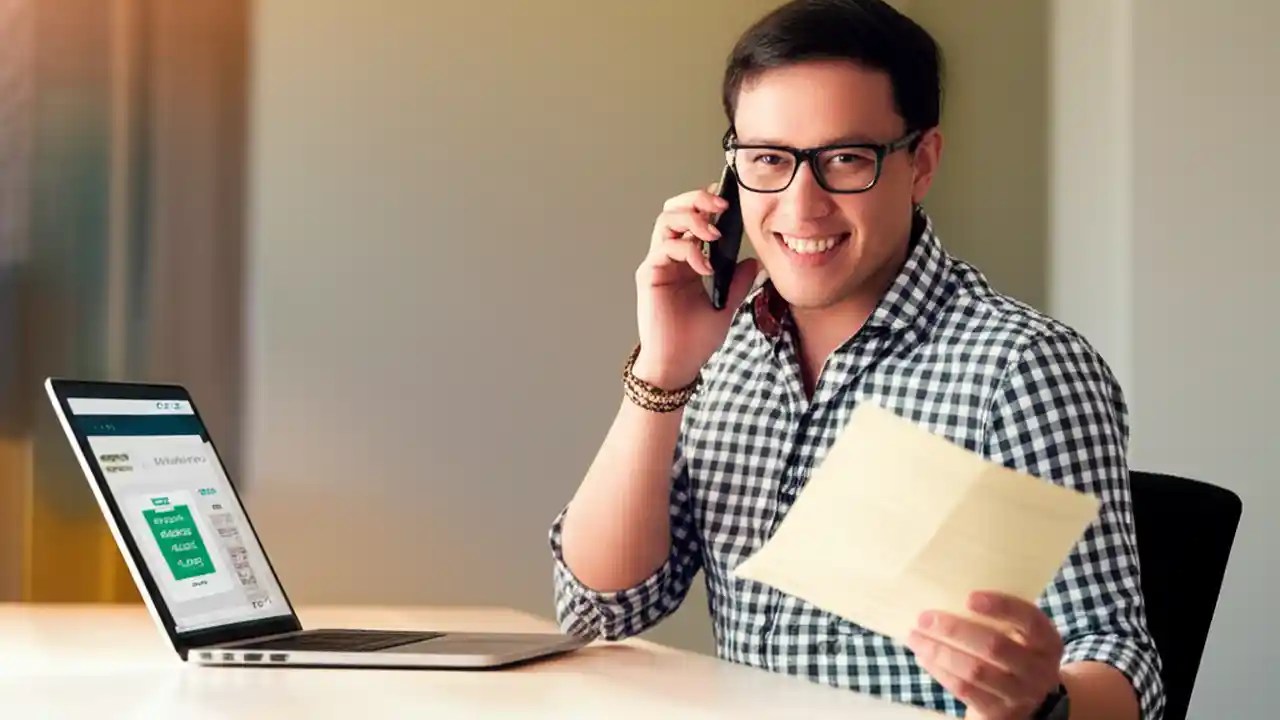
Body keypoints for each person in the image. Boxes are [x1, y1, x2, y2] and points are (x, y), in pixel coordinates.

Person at [547, 1, 1164, 718]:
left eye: (845, 159)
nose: (801, 207)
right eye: (768, 161)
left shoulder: (1023, 369)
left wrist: (1045, 701)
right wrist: (663, 367)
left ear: (921, 163)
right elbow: (599, 609)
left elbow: (1125, 668)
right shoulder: (731, 347)